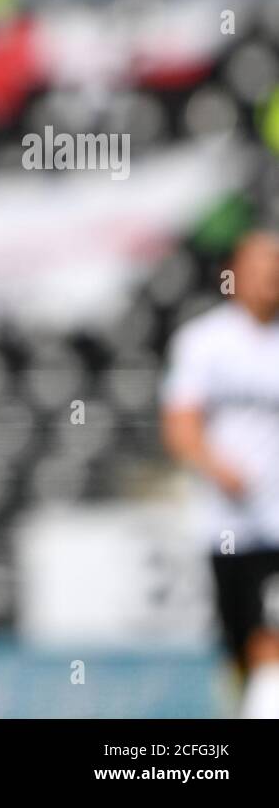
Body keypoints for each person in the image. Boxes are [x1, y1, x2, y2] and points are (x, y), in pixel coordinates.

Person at [162, 228, 279, 718]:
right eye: (259, 264)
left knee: (269, 644)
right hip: (230, 526)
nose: (270, 275)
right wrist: (218, 468)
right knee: (242, 647)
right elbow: (180, 424)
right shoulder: (206, 341)